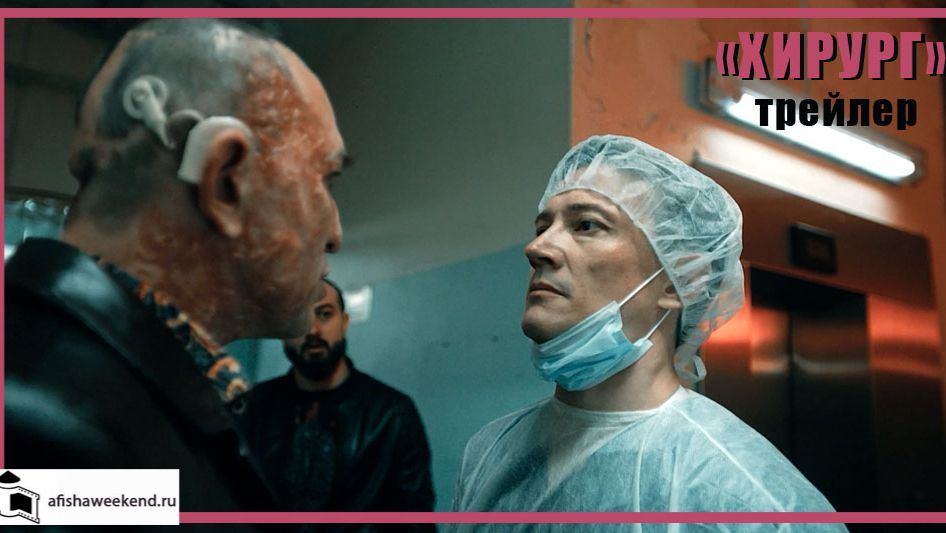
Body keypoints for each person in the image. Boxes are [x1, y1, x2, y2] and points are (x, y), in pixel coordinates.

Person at [5, 18, 347, 518]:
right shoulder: (45, 431)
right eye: (326, 179)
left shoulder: (108, 403)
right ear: (225, 180)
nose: (335, 233)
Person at [449, 135, 844, 531]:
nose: (537, 247)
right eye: (542, 226)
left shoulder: (743, 496)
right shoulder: (491, 452)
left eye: (586, 225)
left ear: (680, 280)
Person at [238, 279, 435, 524]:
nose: (313, 330)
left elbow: (415, 519)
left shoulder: (392, 415)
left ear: (344, 322)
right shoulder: (251, 408)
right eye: (298, 319)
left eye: (324, 314)